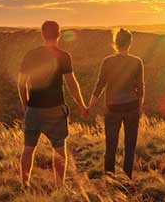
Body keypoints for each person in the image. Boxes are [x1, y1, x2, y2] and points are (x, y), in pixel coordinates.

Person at [17, 20, 90, 187]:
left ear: (42, 34)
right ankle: (59, 186)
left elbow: (21, 83)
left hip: (34, 108)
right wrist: (82, 105)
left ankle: (24, 185)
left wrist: (25, 105)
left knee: (28, 149)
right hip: (56, 109)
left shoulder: (31, 54)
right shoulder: (64, 56)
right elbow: (72, 83)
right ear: (59, 34)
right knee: (59, 149)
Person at [88, 28, 146, 178]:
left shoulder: (107, 61)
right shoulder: (137, 62)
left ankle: (109, 178)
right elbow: (140, 88)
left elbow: (99, 86)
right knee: (130, 145)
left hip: (112, 108)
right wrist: (139, 108)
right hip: (132, 107)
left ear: (115, 43)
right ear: (130, 42)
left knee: (111, 146)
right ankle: (127, 178)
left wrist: (89, 107)